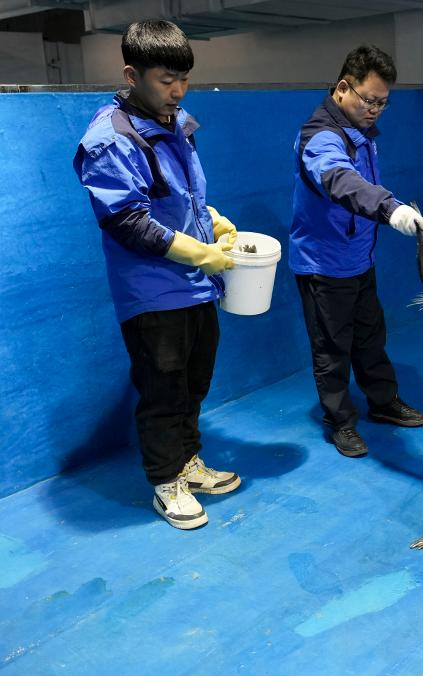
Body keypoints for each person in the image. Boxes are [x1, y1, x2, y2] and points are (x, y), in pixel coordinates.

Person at [73, 20, 241, 530]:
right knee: (163, 388)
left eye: (184, 79)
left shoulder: (174, 123)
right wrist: (197, 252)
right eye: (167, 79)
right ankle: (166, 482)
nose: (179, 90)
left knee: (195, 380)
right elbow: (127, 220)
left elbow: (180, 196)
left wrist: (211, 220)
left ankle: (188, 462)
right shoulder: (110, 138)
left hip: (193, 286)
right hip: (152, 293)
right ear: (132, 74)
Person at [291, 44, 423, 458]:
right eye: (369, 100)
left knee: (371, 337)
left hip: (357, 260)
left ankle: (384, 404)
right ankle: (340, 423)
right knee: (332, 349)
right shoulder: (319, 139)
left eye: (383, 104)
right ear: (341, 88)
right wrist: (390, 208)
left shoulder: (361, 134)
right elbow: (340, 182)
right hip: (323, 266)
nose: (374, 110)